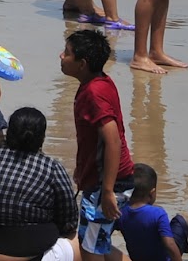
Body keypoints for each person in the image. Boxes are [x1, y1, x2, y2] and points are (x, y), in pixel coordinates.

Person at [0, 108, 80, 261]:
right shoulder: (51, 167)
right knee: (79, 242)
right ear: (42, 138)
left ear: (9, 132)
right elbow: (69, 222)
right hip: (25, 254)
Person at [59, 29, 135, 261]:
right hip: (104, 179)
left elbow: (113, 140)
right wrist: (83, 170)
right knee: (94, 242)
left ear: (82, 64)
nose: (61, 56)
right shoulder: (99, 82)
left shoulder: (94, 93)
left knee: (90, 249)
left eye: (67, 53)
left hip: (109, 182)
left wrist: (108, 191)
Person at [117, 163, 188, 261]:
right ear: (152, 193)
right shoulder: (157, 213)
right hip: (165, 258)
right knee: (185, 217)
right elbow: (169, 244)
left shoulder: (120, 212)